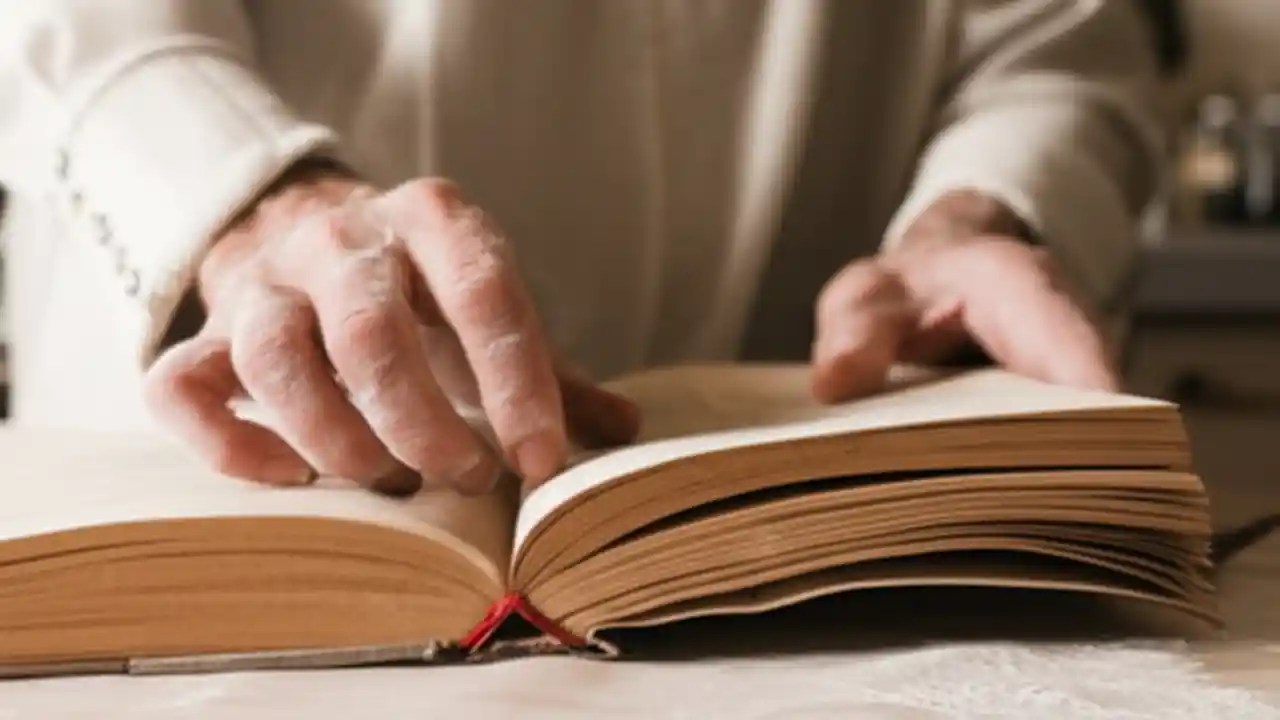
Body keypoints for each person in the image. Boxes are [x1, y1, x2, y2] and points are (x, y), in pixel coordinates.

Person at [0, 1, 1161, 495]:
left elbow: (1055, 46)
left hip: (793, 494)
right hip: (242, 446)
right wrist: (250, 197)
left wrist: (975, 212)